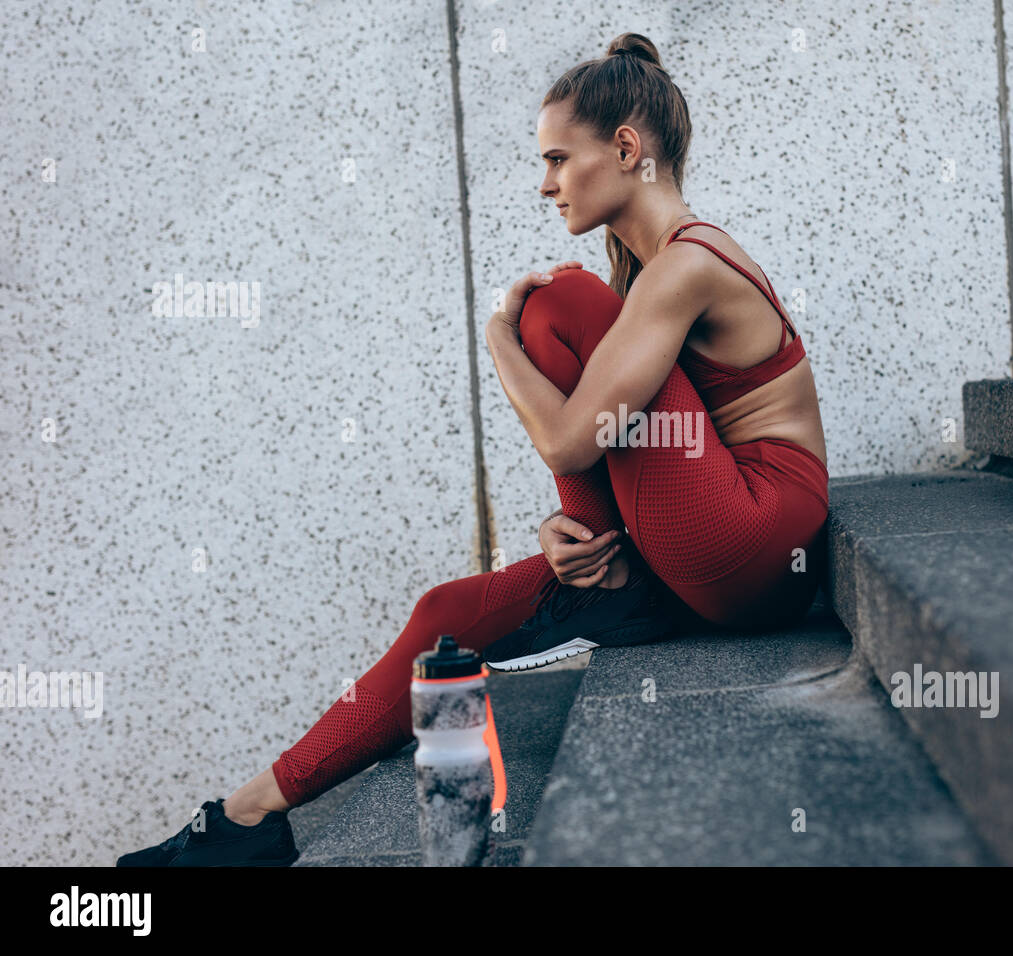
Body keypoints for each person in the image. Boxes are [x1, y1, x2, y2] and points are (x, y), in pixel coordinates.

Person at [116, 31, 829, 867]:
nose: (546, 181)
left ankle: (608, 590)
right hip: (712, 538)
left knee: (556, 301)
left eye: (561, 158)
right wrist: (582, 529)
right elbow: (603, 449)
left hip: (758, 536)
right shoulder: (648, 279)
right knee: (444, 616)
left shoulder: (687, 265)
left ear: (626, 149)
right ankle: (244, 821)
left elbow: (570, 443)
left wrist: (497, 336)